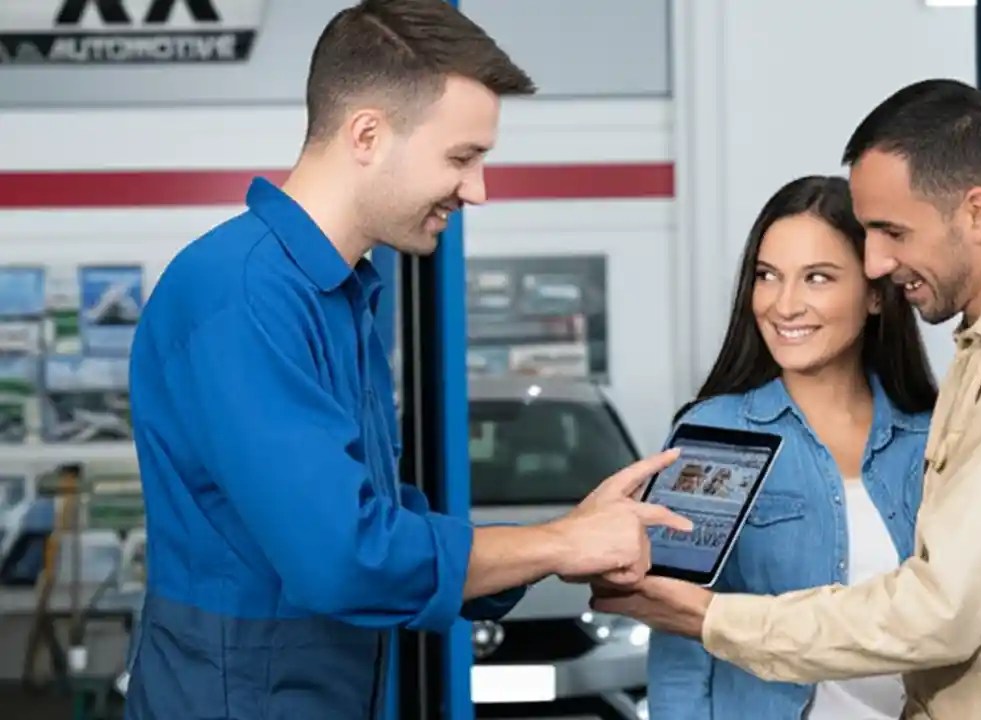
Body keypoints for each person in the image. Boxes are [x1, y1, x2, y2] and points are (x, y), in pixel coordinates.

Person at [123, 2, 688, 719]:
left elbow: (383, 518)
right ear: (367, 133)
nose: (477, 190)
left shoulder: (337, 293)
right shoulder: (242, 297)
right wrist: (556, 545)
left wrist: (563, 538)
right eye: (461, 157)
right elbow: (345, 558)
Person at [594, 78, 981, 719]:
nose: (877, 262)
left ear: (977, 212)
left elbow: (953, 605)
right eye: (768, 276)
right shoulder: (719, 433)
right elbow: (677, 652)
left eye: (889, 233)